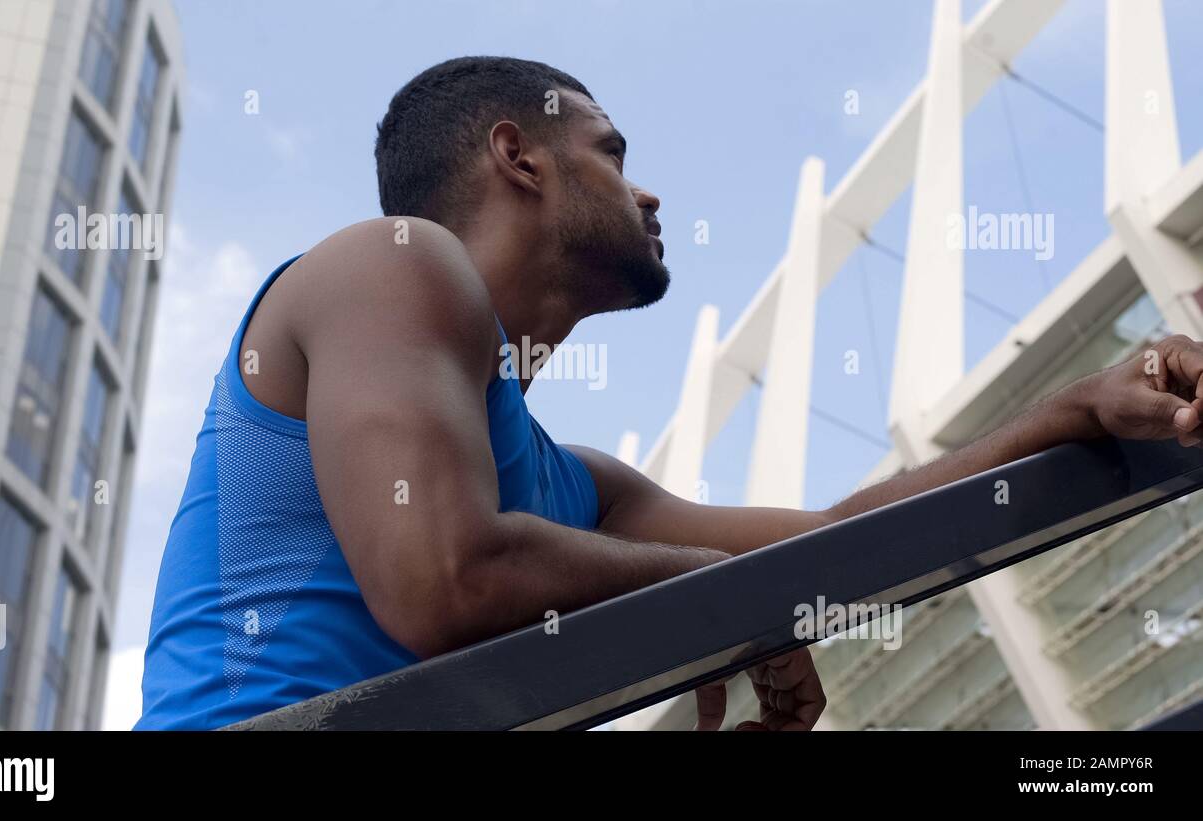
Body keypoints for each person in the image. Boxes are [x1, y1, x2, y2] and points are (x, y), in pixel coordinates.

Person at [136, 56, 1203, 730]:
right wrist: (723, 601)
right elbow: (442, 578)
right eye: (612, 151)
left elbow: (831, 543)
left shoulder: (570, 488)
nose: (648, 189)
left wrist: (1073, 404)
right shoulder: (391, 259)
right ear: (518, 154)